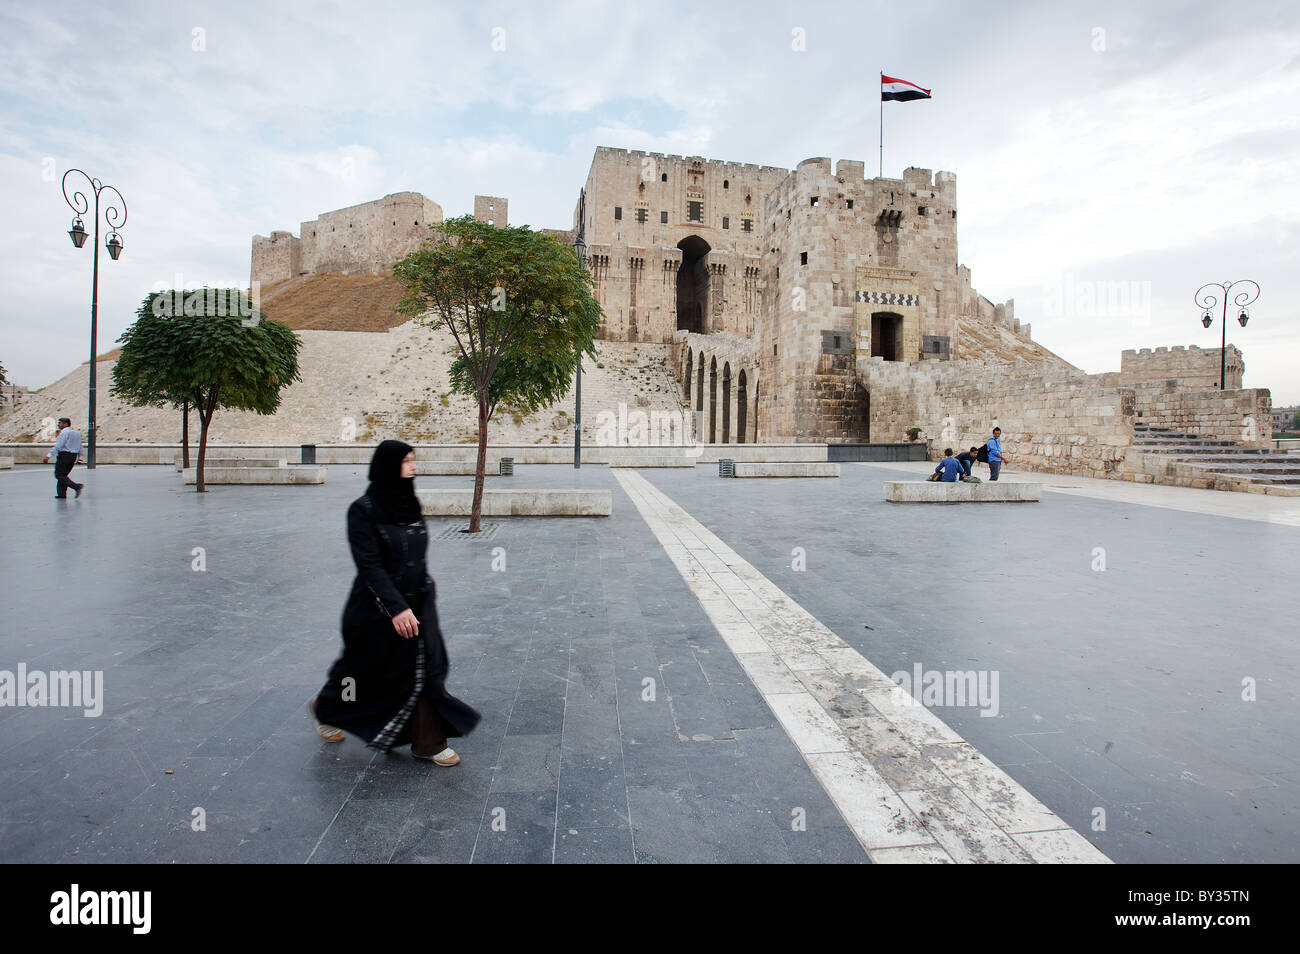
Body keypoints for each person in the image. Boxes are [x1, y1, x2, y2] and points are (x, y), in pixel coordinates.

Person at [310, 440, 479, 765]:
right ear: (389, 466)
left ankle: (428, 742)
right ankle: (325, 707)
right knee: (362, 672)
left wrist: (422, 595)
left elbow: (416, 556)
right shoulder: (363, 510)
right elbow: (370, 565)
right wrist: (396, 608)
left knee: (426, 668)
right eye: (407, 461)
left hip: (418, 602)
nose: (413, 467)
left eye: (413, 460)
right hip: (375, 609)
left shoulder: (408, 504)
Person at [43, 417, 84, 499]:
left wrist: (49, 455)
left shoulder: (64, 433)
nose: (59, 424)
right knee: (63, 475)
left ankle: (76, 486)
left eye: (60, 423)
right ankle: (61, 494)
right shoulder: (77, 433)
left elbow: (58, 446)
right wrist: (80, 457)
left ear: (66, 424)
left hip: (64, 455)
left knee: (59, 475)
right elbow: (80, 446)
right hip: (73, 456)